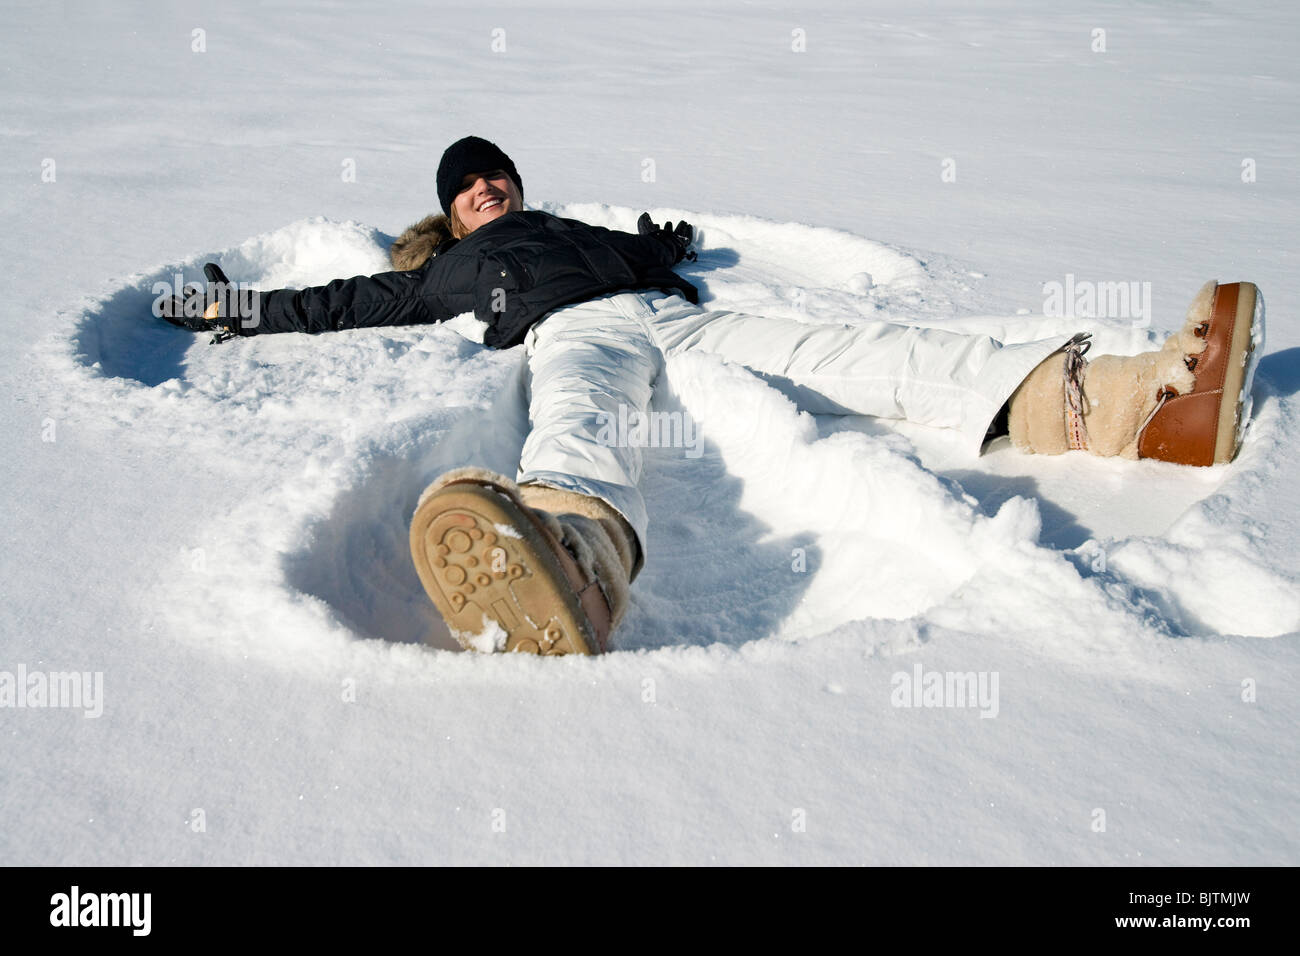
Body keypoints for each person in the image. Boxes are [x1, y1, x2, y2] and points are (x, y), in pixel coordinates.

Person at [160, 135, 1265, 657]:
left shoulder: (572, 228)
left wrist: (662, 246)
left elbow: (649, 248)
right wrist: (236, 308)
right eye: (466, 186)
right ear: (452, 218)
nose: (486, 186)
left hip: (675, 318)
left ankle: (1126, 405)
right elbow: (344, 301)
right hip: (573, 335)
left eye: (495, 174)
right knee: (579, 411)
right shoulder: (445, 271)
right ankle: (572, 556)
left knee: (854, 348)